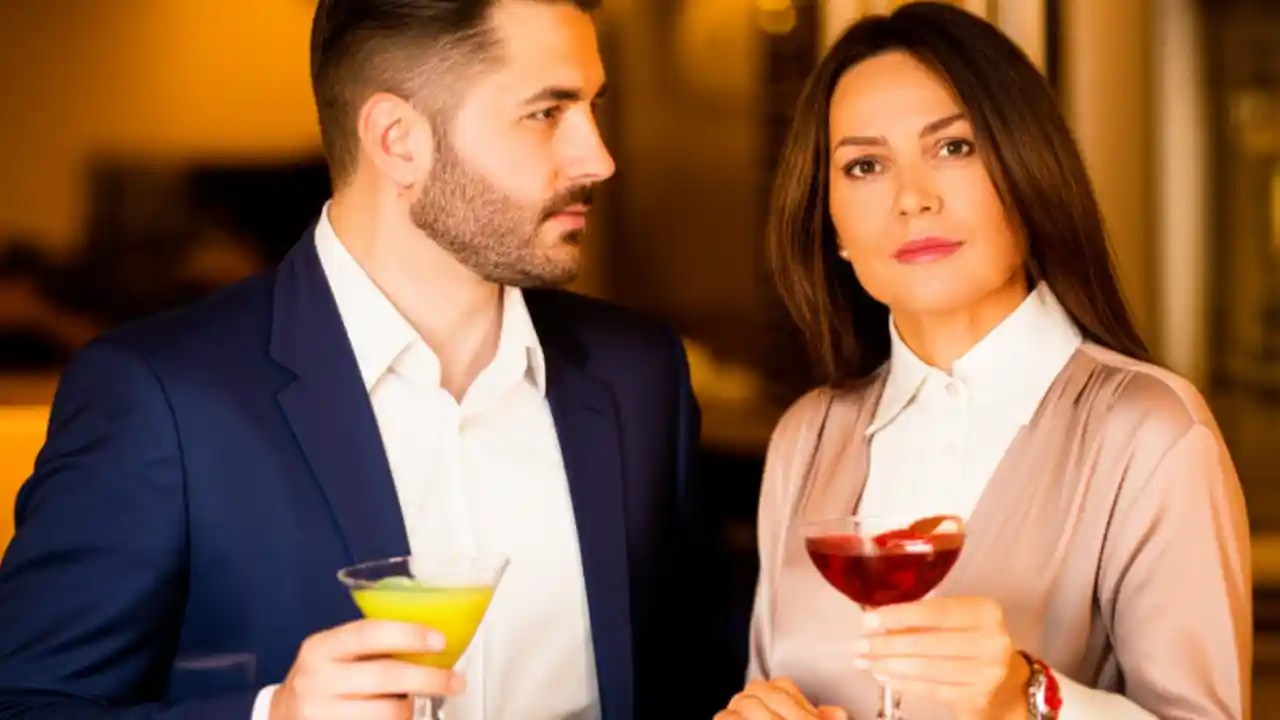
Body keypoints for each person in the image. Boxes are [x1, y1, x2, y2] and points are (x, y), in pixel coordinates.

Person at [0, 1, 722, 718]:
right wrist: (271, 718)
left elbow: (692, 678)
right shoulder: (159, 399)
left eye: (594, 105)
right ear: (397, 139)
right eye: (547, 112)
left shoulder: (641, 375)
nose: (598, 157)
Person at [718, 3, 1251, 719]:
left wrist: (1025, 695)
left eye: (954, 148)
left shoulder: (1149, 431)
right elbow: (768, 684)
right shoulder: (806, 438)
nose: (914, 198)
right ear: (832, 223)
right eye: (866, 165)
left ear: (1027, 173)